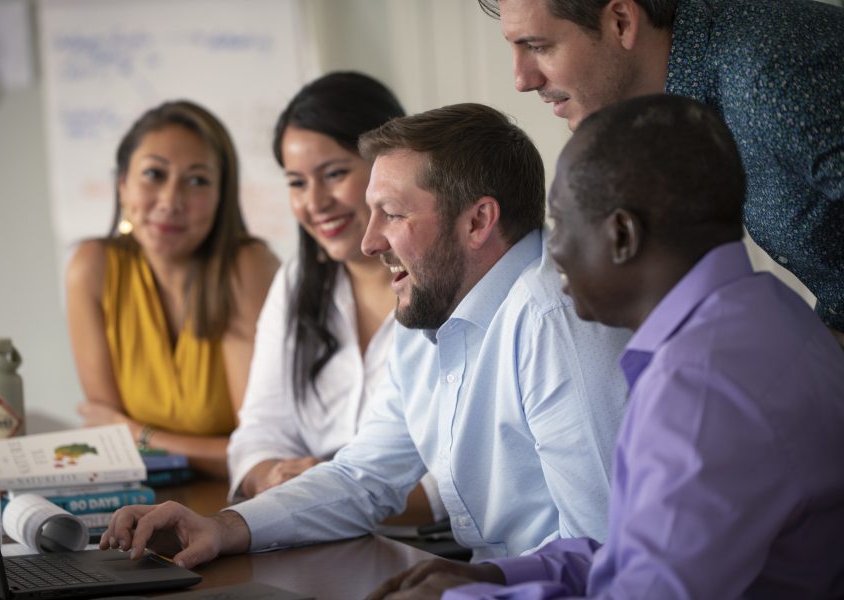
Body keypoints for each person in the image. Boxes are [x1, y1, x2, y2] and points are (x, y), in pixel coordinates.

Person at [99, 102, 631, 567]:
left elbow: (603, 550)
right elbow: (361, 477)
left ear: (478, 222)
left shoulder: (554, 319)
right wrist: (224, 527)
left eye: (392, 215)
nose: (371, 240)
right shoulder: (426, 314)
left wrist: (476, 583)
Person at [373, 95, 844, 599]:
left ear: (621, 235)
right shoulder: (773, 311)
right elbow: (637, 552)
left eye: (562, 222)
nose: (550, 249)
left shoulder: (699, 384)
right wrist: (498, 576)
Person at [478, 0, 844, 345]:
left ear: (621, 20)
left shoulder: (770, 71)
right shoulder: (682, 105)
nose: (522, 80)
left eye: (538, 46)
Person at [227, 71, 442, 523]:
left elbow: (462, 476)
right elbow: (258, 431)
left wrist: (333, 490)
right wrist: (274, 480)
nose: (315, 202)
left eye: (335, 174)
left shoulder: (447, 279)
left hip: (432, 551)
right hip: (307, 526)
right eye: (297, 183)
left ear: (389, 166)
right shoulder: (297, 281)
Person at [65, 100, 280, 478]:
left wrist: (138, 435)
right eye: (154, 174)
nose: (170, 201)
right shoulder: (91, 268)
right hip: (144, 501)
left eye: (197, 180)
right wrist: (129, 438)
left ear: (221, 197)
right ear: (122, 187)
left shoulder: (246, 267)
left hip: (240, 505)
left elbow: (259, 454)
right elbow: (109, 442)